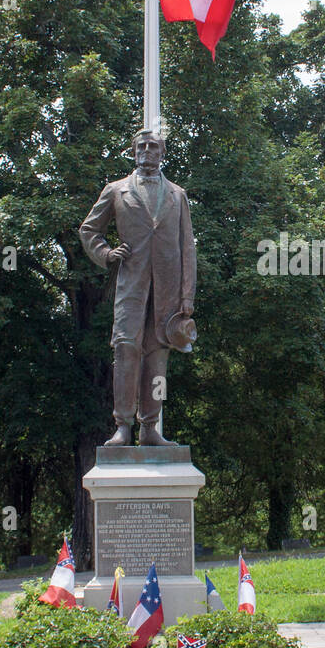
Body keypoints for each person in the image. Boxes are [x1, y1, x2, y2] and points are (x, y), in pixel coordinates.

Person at [80, 130, 196, 445]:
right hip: (131, 287)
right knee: (126, 350)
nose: (147, 150)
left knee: (158, 358)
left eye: (153, 146)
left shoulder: (177, 195)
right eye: (141, 146)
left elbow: (188, 248)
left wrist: (187, 295)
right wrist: (105, 253)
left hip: (168, 293)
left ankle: (149, 428)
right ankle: (122, 426)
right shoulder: (116, 191)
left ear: (162, 153)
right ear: (134, 152)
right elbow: (89, 229)